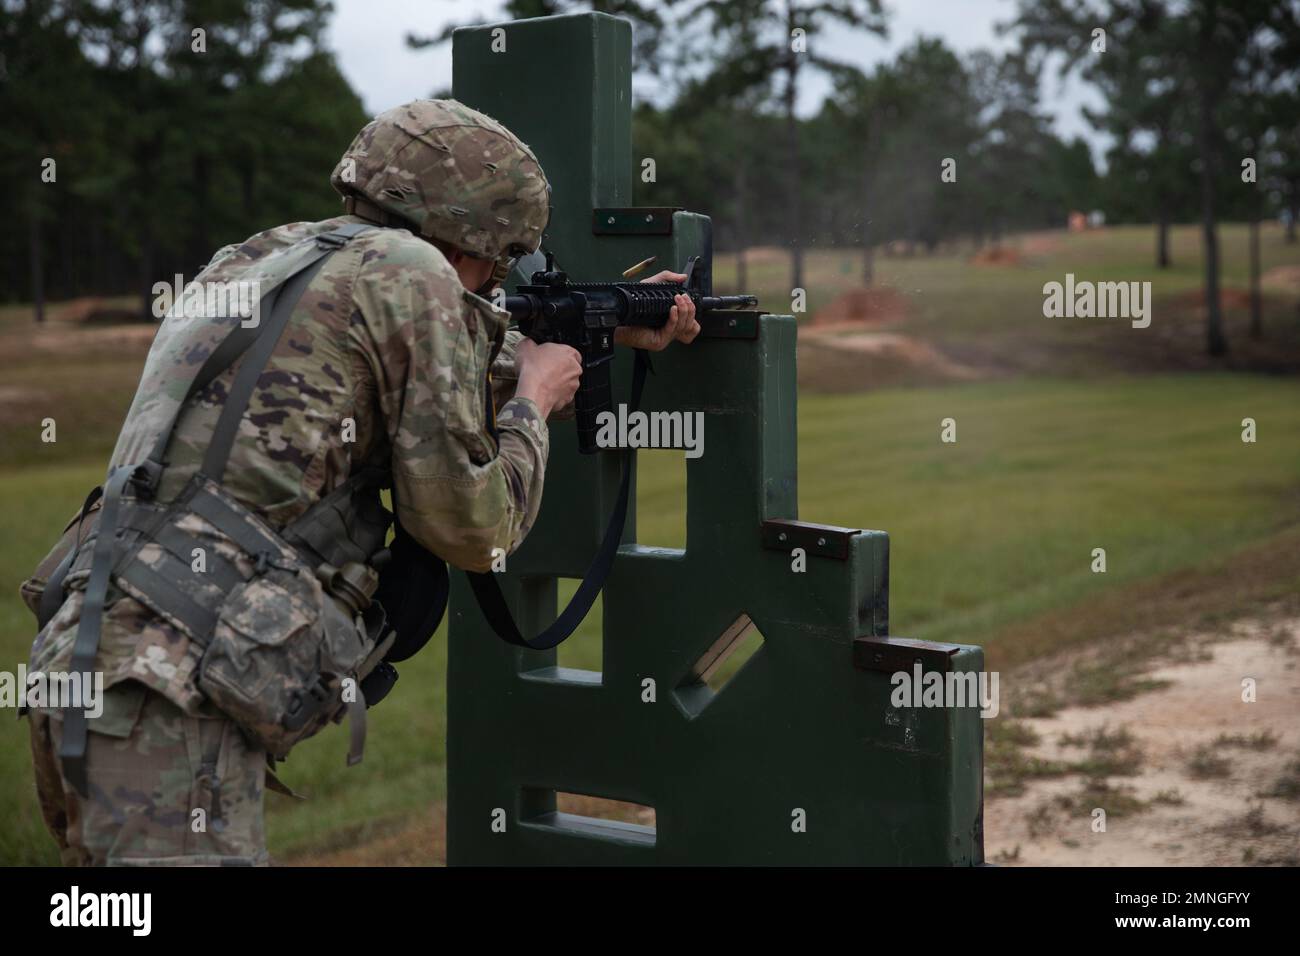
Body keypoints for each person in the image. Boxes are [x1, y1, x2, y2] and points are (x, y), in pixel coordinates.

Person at [20, 99, 699, 866]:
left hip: (81, 656)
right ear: (470, 236)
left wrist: (602, 327)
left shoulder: (255, 259)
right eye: (495, 262)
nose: (487, 285)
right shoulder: (417, 276)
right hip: (166, 692)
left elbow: (368, 380)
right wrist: (532, 405)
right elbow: (474, 528)